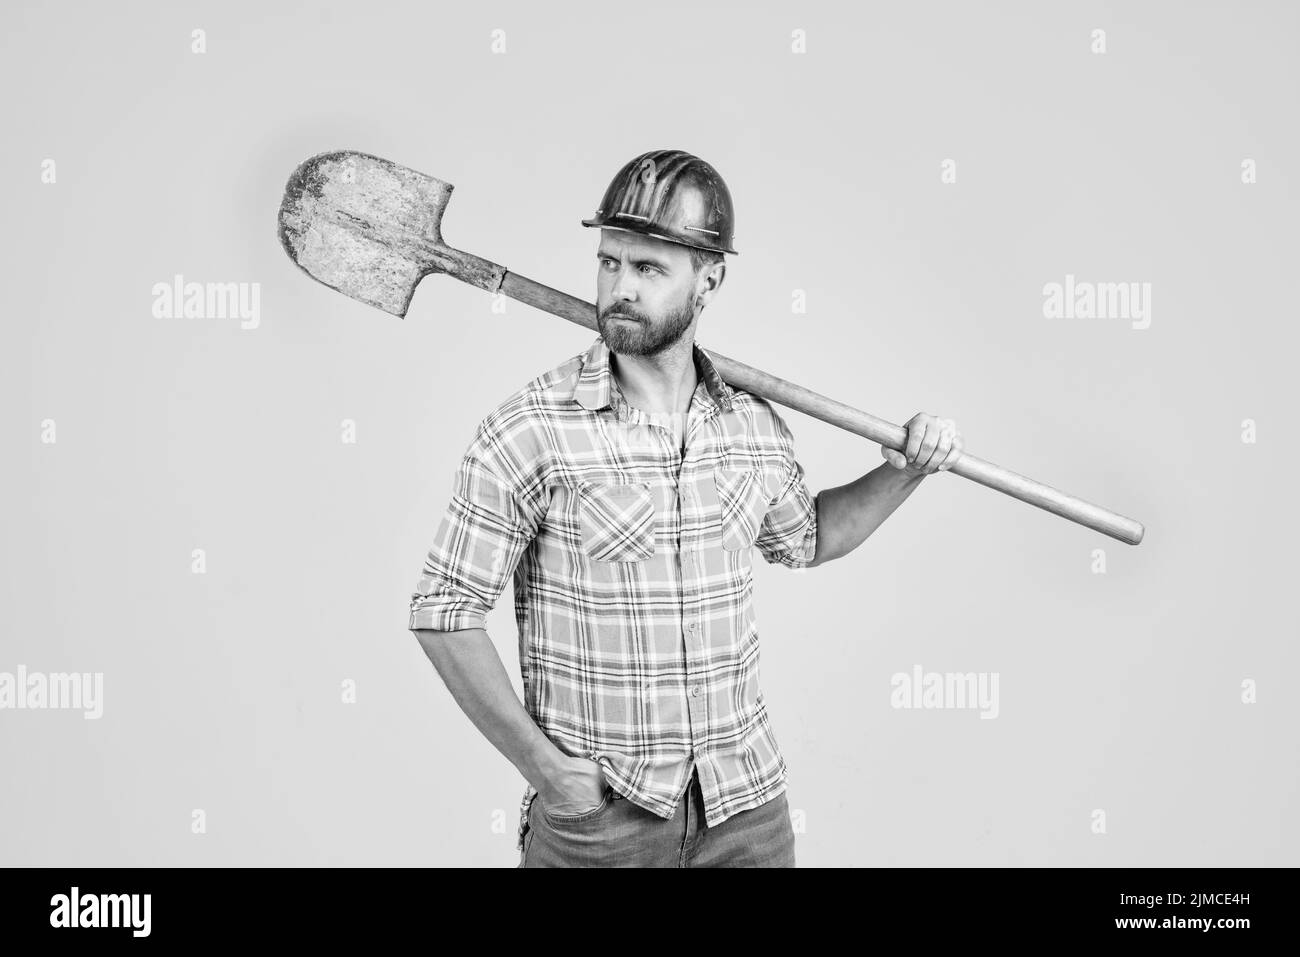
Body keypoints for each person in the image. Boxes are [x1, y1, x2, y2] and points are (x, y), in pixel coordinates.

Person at [407, 149, 963, 867]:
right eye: (610, 262)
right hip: (603, 822)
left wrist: (906, 470)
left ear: (709, 280)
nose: (619, 289)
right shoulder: (530, 429)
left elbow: (811, 536)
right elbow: (444, 610)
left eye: (647, 269)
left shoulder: (751, 426)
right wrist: (550, 773)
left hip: (747, 814)